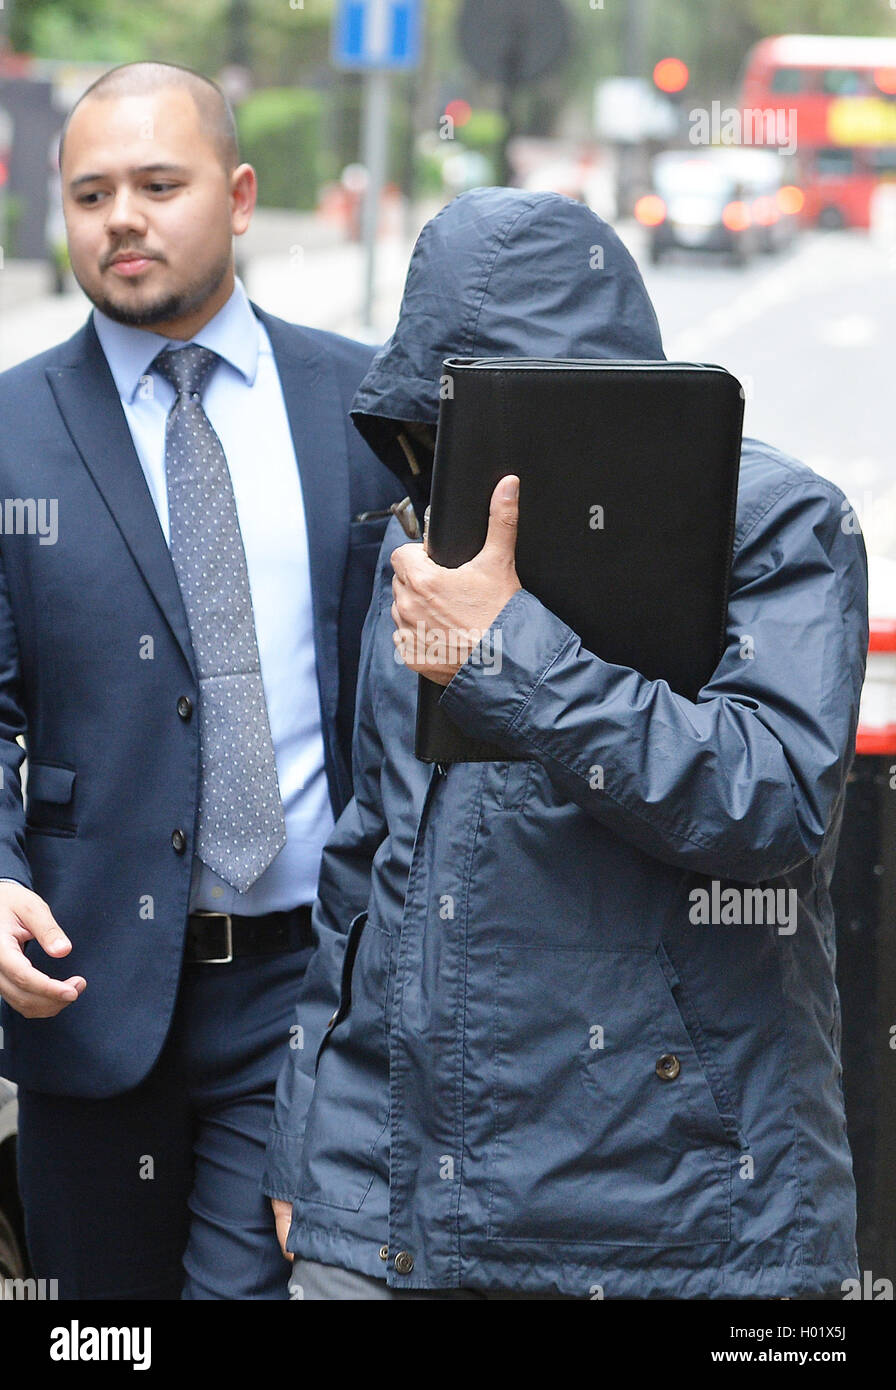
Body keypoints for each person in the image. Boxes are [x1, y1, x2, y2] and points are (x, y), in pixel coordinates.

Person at [265, 187, 869, 1299]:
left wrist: (505, 654)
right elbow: (368, 867)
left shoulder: (775, 519)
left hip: (678, 1221)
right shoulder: (423, 545)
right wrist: (314, 1150)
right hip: (388, 1218)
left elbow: (769, 801)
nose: (458, 471)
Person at [0, 61, 400, 1300]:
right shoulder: (12, 431)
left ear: (237, 194)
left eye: (157, 185)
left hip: (306, 992)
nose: (121, 217)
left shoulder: (369, 408)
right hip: (83, 992)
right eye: (90, 193)